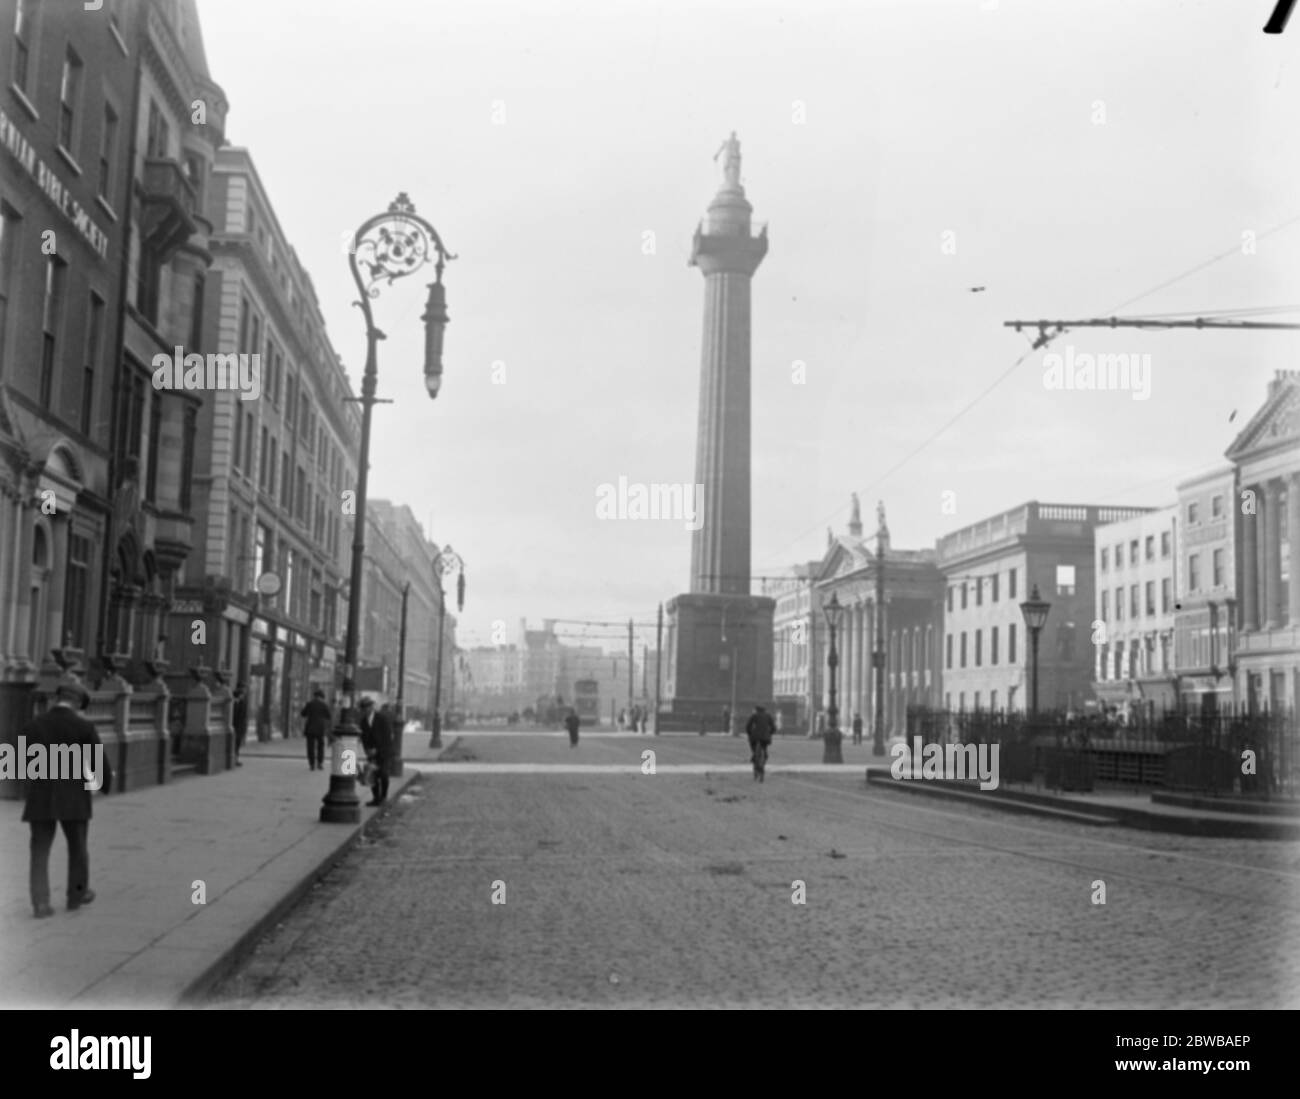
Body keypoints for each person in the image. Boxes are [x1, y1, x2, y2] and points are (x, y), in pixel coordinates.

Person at [23, 682, 111, 917]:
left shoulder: (34, 726)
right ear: (77, 704)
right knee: (78, 847)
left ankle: (40, 903)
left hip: (41, 796)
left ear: (56, 699)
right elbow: (98, 763)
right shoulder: (83, 727)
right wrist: (104, 785)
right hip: (74, 796)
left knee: (39, 850)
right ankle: (76, 894)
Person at [358, 696, 393, 805]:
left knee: (383, 774)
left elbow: (387, 736)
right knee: (372, 775)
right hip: (371, 753)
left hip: (383, 752)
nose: (367, 710)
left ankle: (383, 797)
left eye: (368, 707)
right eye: (364, 708)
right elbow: (363, 738)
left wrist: (377, 749)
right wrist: (367, 750)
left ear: (372, 707)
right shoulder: (363, 722)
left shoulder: (381, 718)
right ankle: (376, 798)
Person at [300, 689, 331, 771]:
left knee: (310, 747)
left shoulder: (310, 704)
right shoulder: (324, 705)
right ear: (322, 697)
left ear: (315, 696)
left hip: (310, 728)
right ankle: (320, 763)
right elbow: (328, 716)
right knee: (321, 746)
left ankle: (312, 764)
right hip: (320, 728)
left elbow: (303, 714)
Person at [745, 705, 775, 781]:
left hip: (755, 737)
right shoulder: (768, 716)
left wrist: (749, 733)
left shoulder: (754, 715)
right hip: (765, 738)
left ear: (756, 710)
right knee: (764, 749)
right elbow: (774, 728)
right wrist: (770, 733)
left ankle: (754, 756)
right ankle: (764, 756)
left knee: (754, 748)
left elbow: (748, 726)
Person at [231, 684, 249, 766]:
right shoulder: (234, 702)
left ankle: (236, 759)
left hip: (239, 727)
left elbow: (244, 716)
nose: (243, 695)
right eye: (242, 694)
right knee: (234, 743)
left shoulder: (242, 702)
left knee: (237, 744)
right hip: (235, 726)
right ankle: (233, 759)